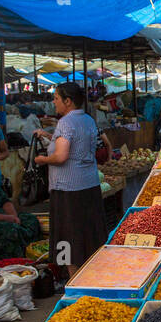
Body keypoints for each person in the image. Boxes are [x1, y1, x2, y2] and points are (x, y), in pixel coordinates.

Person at [35, 82, 107, 277]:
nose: (54, 102)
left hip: (67, 189)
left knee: (67, 235)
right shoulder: (87, 120)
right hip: (89, 185)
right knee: (87, 232)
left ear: (67, 101)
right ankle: (92, 274)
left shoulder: (65, 122)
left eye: (56, 98)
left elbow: (61, 156)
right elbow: (74, 144)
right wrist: (49, 136)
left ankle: (72, 278)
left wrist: (42, 160)